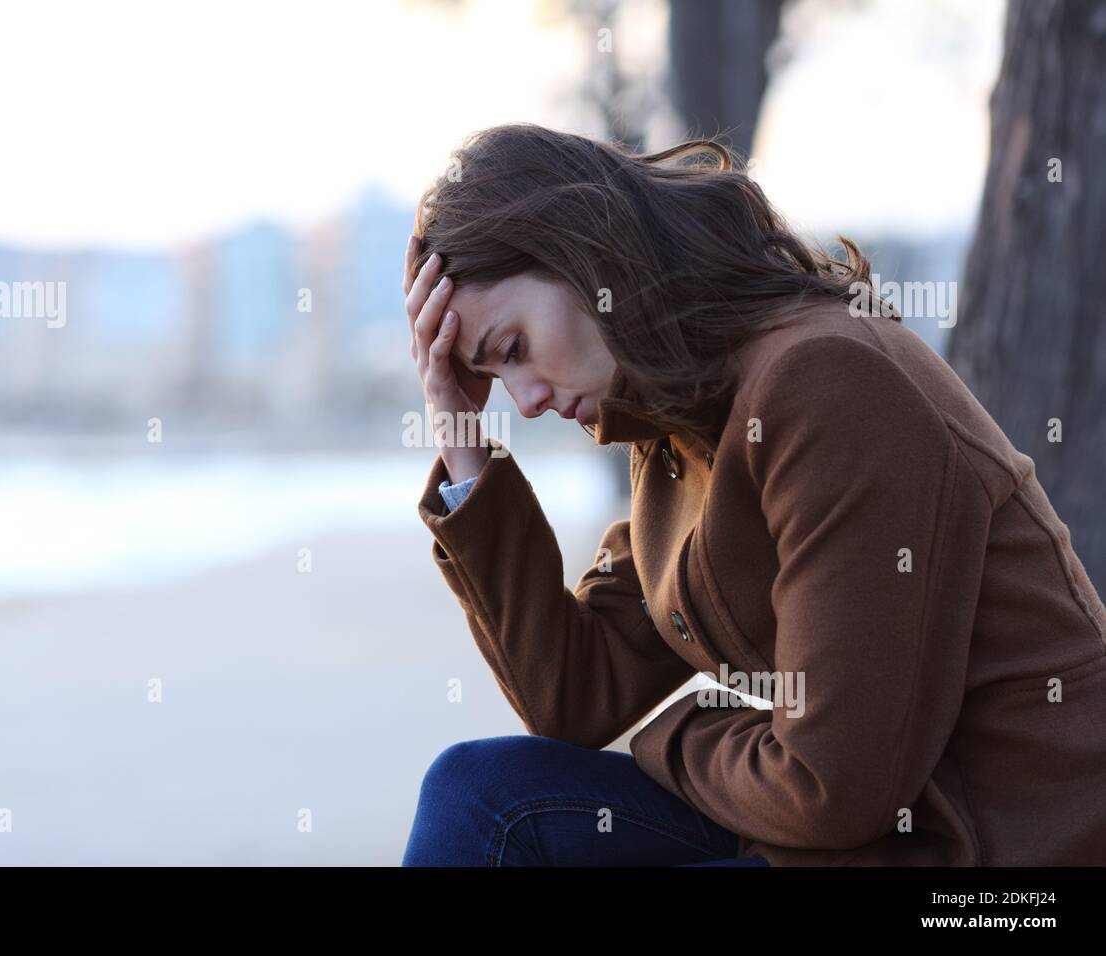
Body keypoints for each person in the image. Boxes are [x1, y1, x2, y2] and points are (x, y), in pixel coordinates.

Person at [399, 122, 1106, 867]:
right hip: (858, 834)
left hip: (993, 861)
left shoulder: (823, 382)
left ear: (586, 257)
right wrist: (459, 433)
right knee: (477, 795)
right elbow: (574, 696)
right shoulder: (682, 423)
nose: (528, 398)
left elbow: (827, 787)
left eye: (513, 351)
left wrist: (672, 735)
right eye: (496, 378)